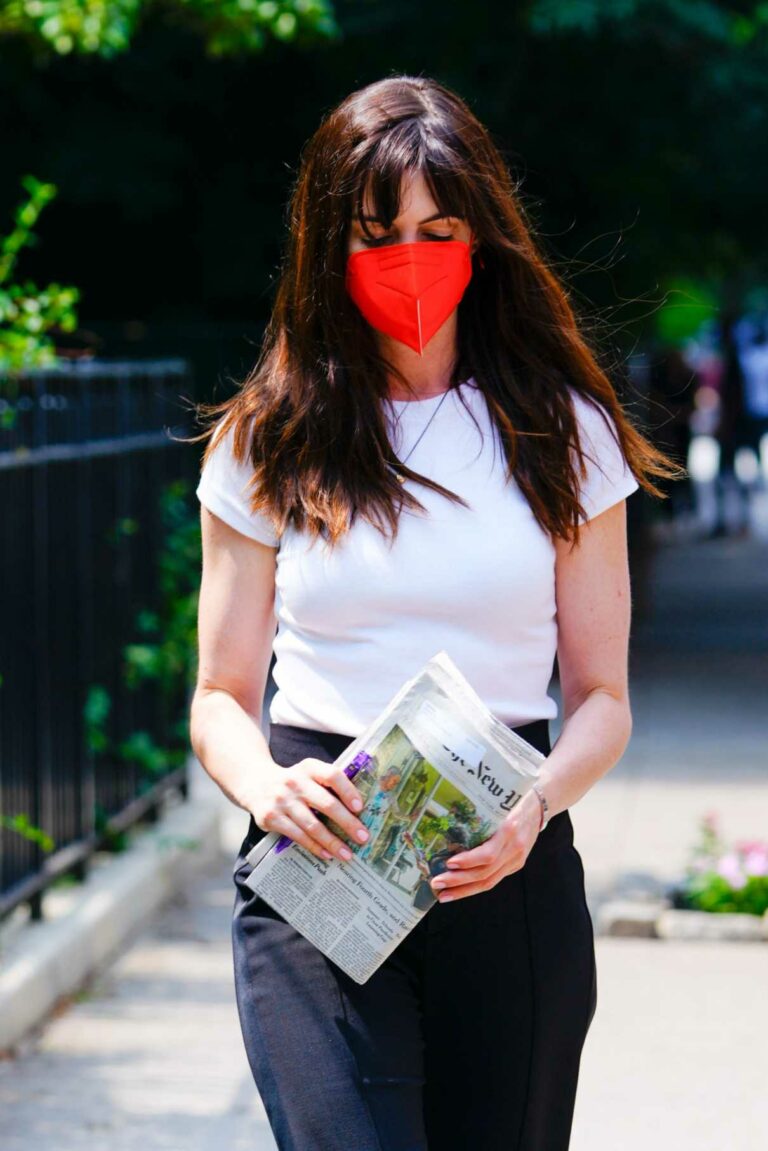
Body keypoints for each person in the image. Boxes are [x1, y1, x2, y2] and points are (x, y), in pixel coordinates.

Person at [189, 75, 683, 1151]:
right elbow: (221, 696)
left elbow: (602, 697)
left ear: (482, 237)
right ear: (329, 244)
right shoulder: (268, 436)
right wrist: (270, 785)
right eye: (376, 232)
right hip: (321, 865)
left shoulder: (564, 431)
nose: (410, 255)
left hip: (506, 857)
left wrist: (534, 807)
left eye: (438, 227)